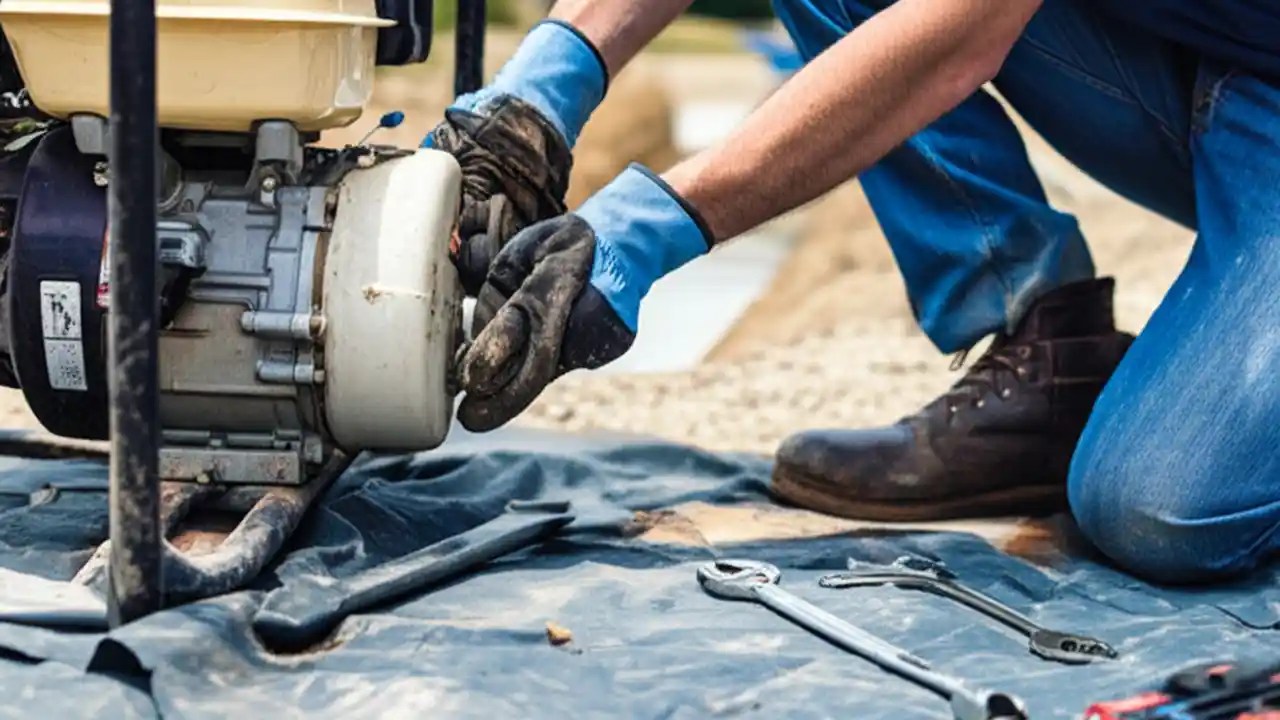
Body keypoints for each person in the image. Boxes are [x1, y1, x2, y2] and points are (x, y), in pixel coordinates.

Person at [425, 0, 1280, 585]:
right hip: (1205, 62)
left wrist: (646, 230)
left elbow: (959, 32)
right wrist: (543, 87)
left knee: (1157, 505)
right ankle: (1044, 361)